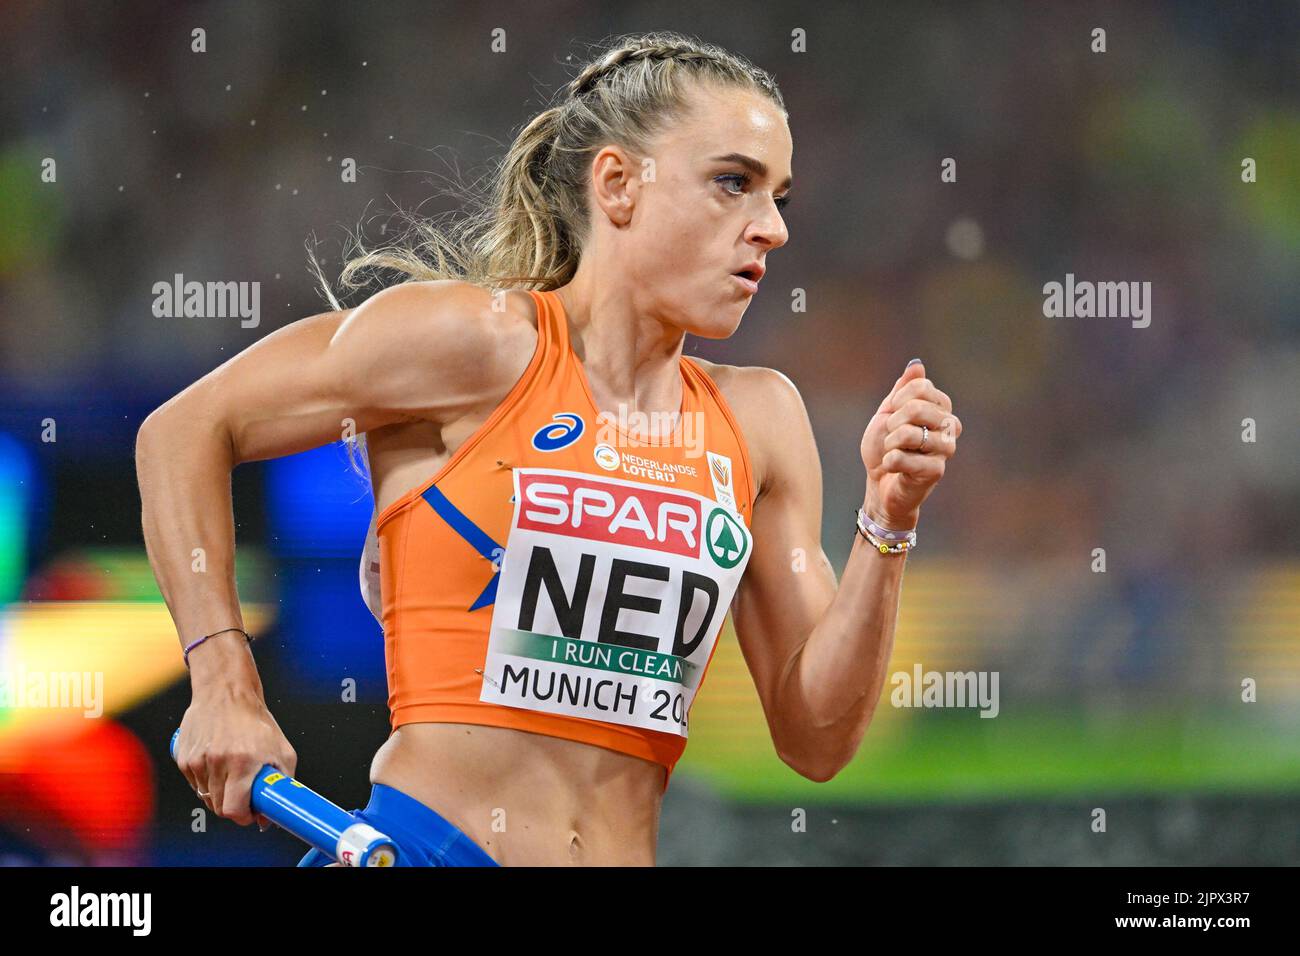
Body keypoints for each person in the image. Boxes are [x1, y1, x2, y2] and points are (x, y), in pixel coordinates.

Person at [136, 31, 962, 867]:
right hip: (426, 852)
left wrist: (886, 521)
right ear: (617, 185)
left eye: (779, 195)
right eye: (733, 183)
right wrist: (223, 684)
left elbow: (816, 739)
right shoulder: (475, 344)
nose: (773, 228)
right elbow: (183, 431)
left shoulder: (759, 419)